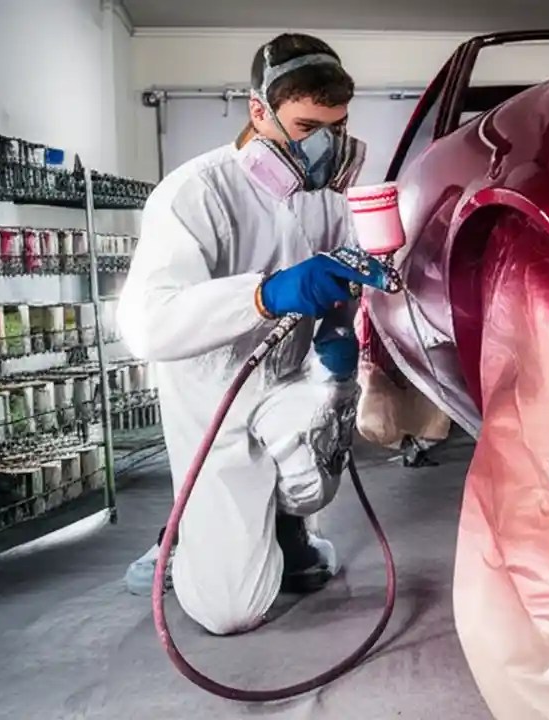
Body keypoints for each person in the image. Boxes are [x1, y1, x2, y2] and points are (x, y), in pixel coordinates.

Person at [117, 33, 399, 636]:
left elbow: (337, 284)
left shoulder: (329, 200)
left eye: (336, 125)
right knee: (232, 611)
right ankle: (183, 530)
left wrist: (342, 342)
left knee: (318, 457)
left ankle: (286, 523)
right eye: (305, 126)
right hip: (213, 391)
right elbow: (147, 323)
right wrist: (262, 294)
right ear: (257, 111)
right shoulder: (194, 193)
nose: (323, 145)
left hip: (289, 379)